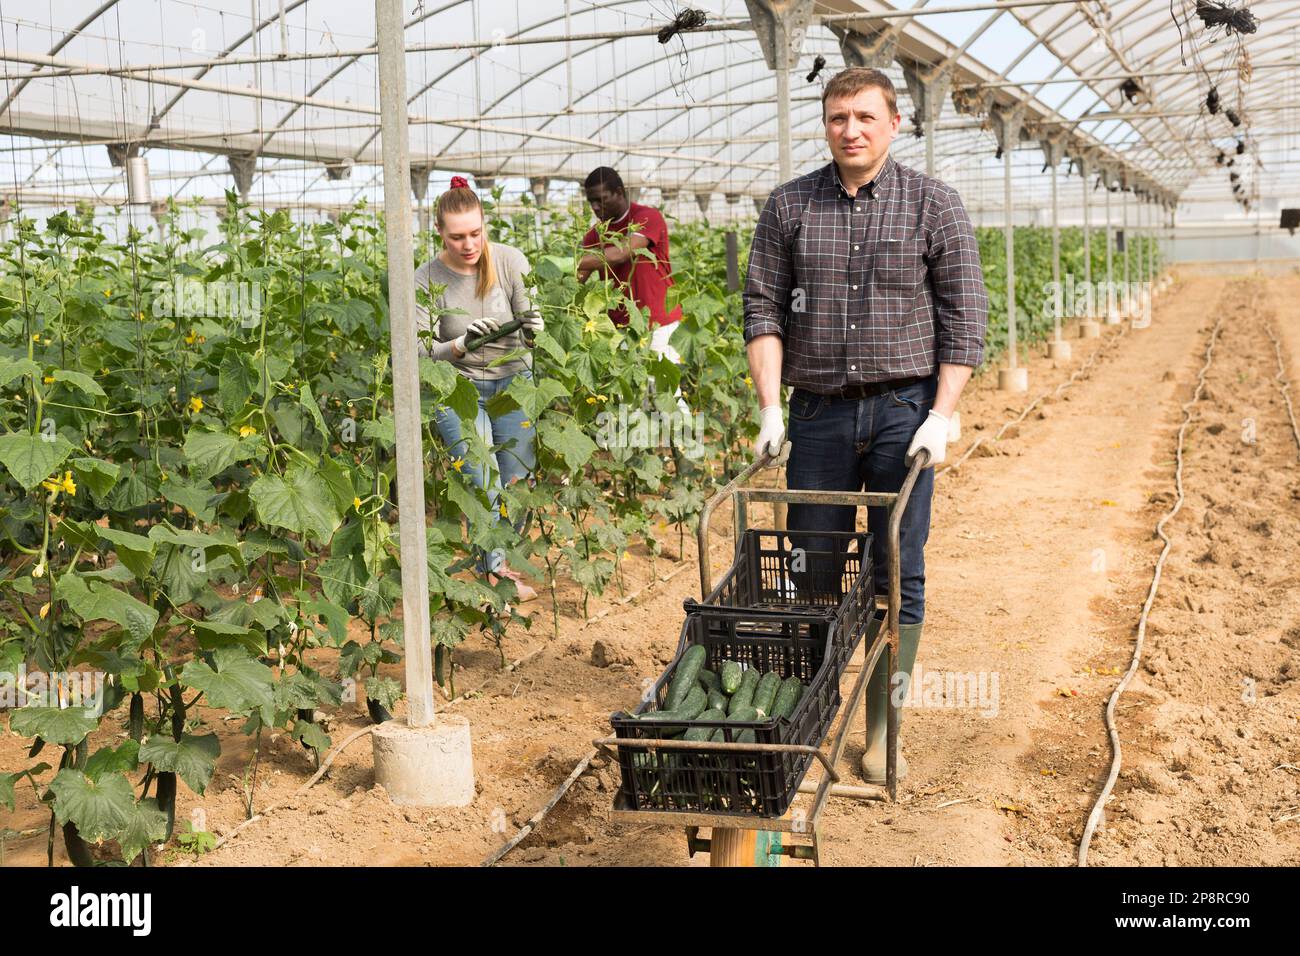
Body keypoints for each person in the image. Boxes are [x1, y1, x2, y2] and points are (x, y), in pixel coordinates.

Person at [743, 68, 989, 784]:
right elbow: (762, 307)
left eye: (864, 117)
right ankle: (816, 711)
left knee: (897, 571)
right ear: (825, 124)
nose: (850, 129)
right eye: (836, 117)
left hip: (903, 412)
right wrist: (768, 405)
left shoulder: (932, 204)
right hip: (816, 414)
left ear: (894, 123)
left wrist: (942, 416)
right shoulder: (790, 206)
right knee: (812, 567)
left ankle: (886, 728)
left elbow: (964, 317)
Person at [416, 176, 544, 602]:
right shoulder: (426, 278)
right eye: (457, 237)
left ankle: (498, 563)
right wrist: (459, 343)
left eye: (475, 233)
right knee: (482, 483)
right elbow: (420, 351)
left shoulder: (510, 262)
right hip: (458, 389)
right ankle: (492, 580)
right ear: (439, 232)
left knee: (515, 482)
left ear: (485, 225)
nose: (468, 244)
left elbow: (531, 329)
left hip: (513, 383)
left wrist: (534, 330)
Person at [577, 166, 684, 362]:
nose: (595, 207)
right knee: (624, 389)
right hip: (619, 327)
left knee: (662, 388)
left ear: (619, 192)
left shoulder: (646, 217)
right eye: (591, 201)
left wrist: (573, 262)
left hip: (658, 323)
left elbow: (621, 253)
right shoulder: (595, 233)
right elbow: (577, 280)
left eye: (601, 199)